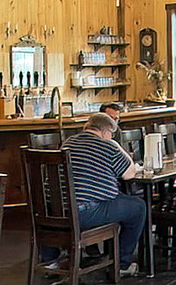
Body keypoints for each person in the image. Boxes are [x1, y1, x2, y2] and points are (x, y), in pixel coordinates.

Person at [44, 113, 145, 275]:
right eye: (112, 134)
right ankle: (122, 265)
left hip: (56, 211)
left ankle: (49, 260)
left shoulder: (68, 143)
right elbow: (129, 174)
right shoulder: (108, 146)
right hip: (85, 213)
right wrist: (116, 145)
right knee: (138, 207)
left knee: (111, 200)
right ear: (106, 132)